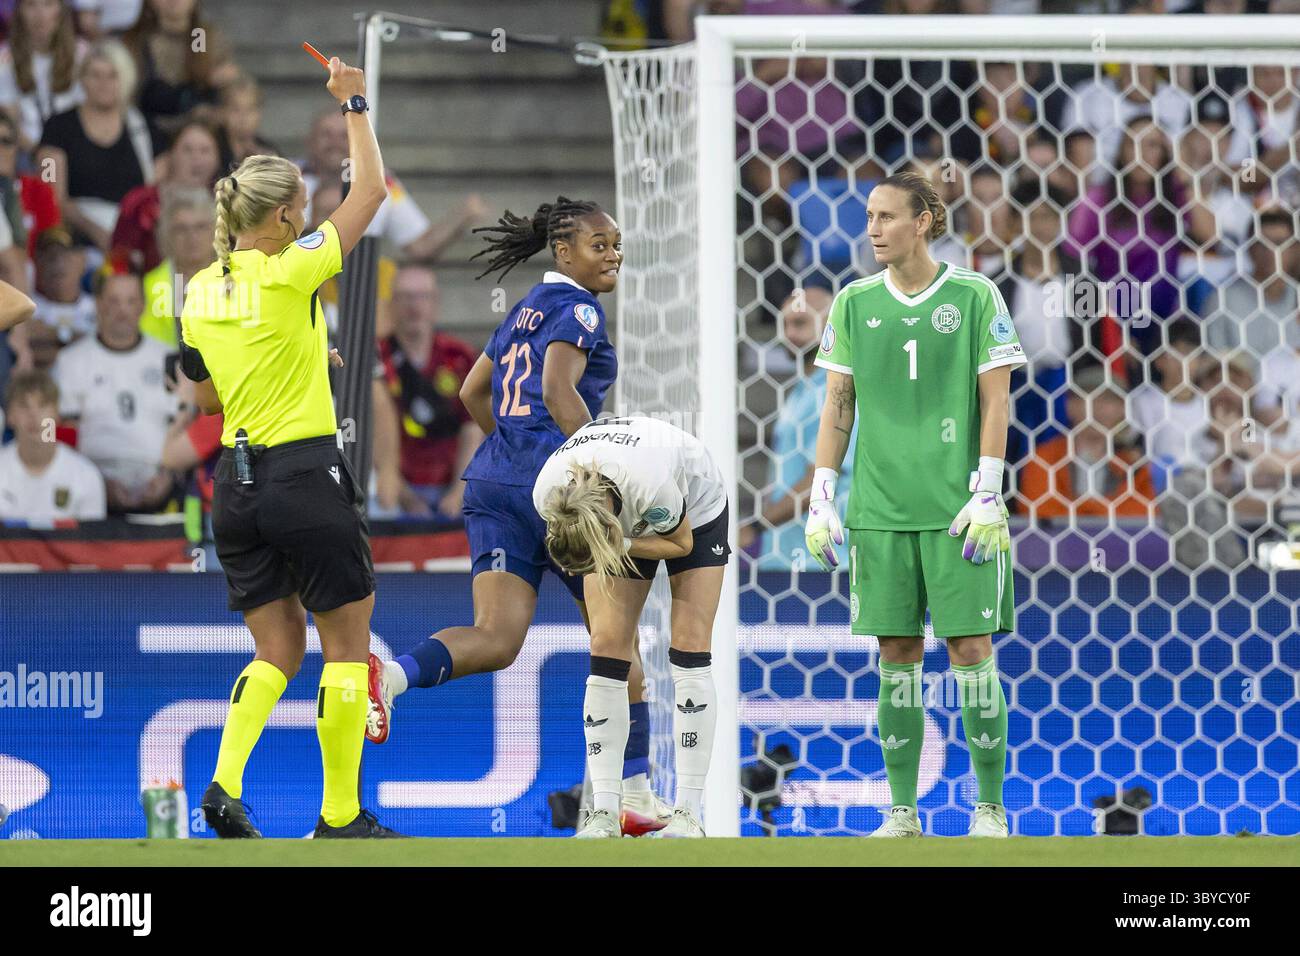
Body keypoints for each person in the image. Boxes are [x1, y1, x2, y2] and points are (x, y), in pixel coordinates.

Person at [367, 197, 674, 837]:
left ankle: (390, 678)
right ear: (564, 251)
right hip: (559, 497)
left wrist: (511, 451)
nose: (613, 254)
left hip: (492, 484)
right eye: (599, 244)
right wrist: (595, 471)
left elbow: (471, 392)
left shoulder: (522, 310)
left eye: (616, 244)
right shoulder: (579, 309)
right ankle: (636, 796)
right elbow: (562, 393)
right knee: (616, 643)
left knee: (498, 638)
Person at [182, 55, 399, 839]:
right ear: (279, 221)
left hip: (234, 490)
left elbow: (209, 395)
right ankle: (340, 816)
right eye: (303, 210)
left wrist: (306, 354)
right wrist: (355, 102)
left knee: (276, 648)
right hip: (306, 475)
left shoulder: (201, 289)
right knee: (346, 650)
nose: (310, 220)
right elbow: (371, 192)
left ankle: (223, 785)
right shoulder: (289, 270)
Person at [805, 171, 1025, 839]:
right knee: (895, 653)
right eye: (868, 216)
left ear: (924, 221)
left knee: (970, 650)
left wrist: (989, 488)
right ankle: (902, 812)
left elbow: (996, 397)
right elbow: (838, 404)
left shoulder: (974, 294)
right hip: (878, 511)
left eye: (886, 216)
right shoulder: (852, 302)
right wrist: (823, 494)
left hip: (960, 512)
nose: (872, 228)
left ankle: (989, 808)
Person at [534, 415, 731, 838]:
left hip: (693, 509)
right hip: (612, 518)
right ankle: (604, 814)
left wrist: (620, 544)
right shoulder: (547, 494)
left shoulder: (650, 483)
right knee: (607, 647)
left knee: (689, 648)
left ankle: (689, 815)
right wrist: (601, 553)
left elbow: (680, 545)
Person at [740, 287, 857, 569]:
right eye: (784, 324)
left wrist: (755, 527)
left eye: (800, 323)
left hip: (824, 562)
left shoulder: (840, 391)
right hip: (785, 557)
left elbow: (819, 476)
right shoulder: (801, 391)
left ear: (831, 324)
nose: (789, 333)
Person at [51, 270, 176, 513]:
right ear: (98, 305)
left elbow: (182, 426)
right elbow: (60, 431)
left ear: (142, 306)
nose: (122, 310)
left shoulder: (168, 358)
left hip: (159, 481)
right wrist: (96, 480)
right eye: (113, 301)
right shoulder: (70, 361)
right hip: (89, 482)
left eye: (130, 301)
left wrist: (170, 476)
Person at [298, 107, 484, 264]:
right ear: (310, 142)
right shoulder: (289, 175)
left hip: (357, 287)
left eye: (344, 136)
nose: (335, 143)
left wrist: (462, 216)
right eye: (326, 134)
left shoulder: (380, 182)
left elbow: (420, 247)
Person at [373, 265, 480, 518]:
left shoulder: (460, 356)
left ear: (436, 303)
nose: (414, 306)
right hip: (392, 485)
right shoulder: (376, 357)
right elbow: (370, 431)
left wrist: (459, 491)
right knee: (376, 510)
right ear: (391, 304)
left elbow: (472, 427)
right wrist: (404, 495)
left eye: (422, 296)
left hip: (449, 484)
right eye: (405, 297)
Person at [37, 38, 154, 252]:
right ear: (82, 79)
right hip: (77, 243)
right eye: (95, 75)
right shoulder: (58, 127)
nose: (104, 83)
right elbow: (52, 195)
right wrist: (97, 232)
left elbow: (156, 191)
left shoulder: (141, 128)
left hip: (132, 243)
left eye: (112, 75)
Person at [110, 117, 219, 274]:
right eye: (187, 150)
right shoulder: (140, 202)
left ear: (217, 158)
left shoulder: (228, 204)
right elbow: (119, 257)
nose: (197, 158)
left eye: (205, 150)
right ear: (170, 155)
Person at [0, 367, 105, 521]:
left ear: (56, 413)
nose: (33, 415)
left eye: (42, 406)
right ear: (10, 415)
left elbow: (90, 543)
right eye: (24, 406)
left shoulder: (85, 475)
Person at [0, 0, 87, 151]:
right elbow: (10, 121)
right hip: (26, 150)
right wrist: (39, 153)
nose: (40, 15)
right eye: (31, 5)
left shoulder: (82, 55)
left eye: (48, 4)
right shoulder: (5, 59)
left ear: (61, 10)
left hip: (74, 148)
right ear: (20, 12)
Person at [138, 185, 212, 346]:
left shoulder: (237, 278)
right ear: (167, 235)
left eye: (200, 227)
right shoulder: (149, 286)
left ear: (215, 231)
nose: (192, 237)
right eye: (181, 229)